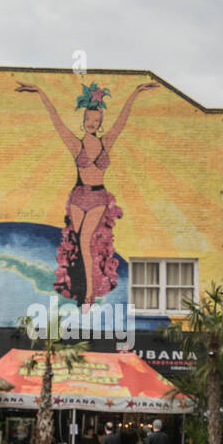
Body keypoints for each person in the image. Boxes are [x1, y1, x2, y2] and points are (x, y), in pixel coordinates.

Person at [16, 78, 159, 307]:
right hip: (78, 196)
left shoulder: (106, 142)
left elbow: (122, 121)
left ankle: (89, 295)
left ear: (100, 122)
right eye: (88, 119)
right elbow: (56, 121)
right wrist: (40, 90)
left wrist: (135, 92)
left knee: (85, 241)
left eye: (95, 119)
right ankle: (79, 288)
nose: (91, 122)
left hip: (98, 198)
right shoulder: (75, 144)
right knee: (77, 245)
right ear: (82, 122)